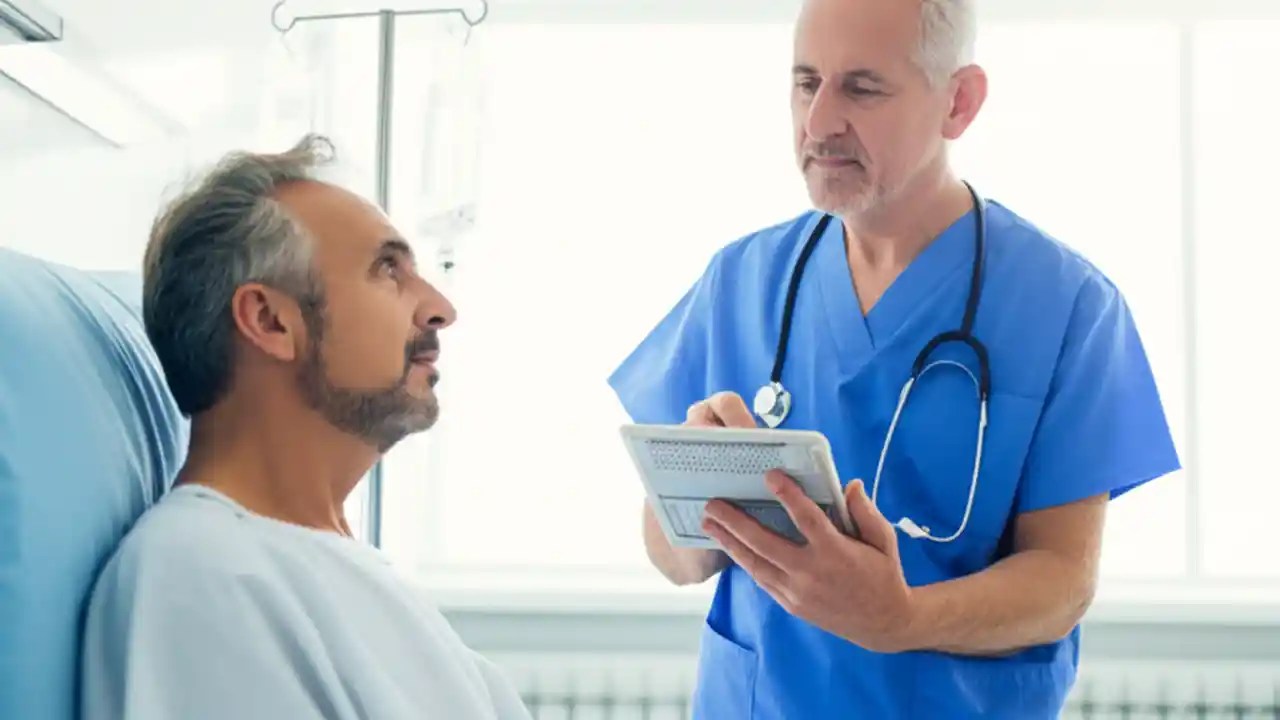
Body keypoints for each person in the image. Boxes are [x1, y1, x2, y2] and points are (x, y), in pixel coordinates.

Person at [608, 0, 1180, 717]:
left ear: (959, 102)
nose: (818, 124)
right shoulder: (743, 281)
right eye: (806, 82)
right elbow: (674, 557)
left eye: (861, 88)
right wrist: (695, 512)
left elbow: (1062, 581)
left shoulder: (1068, 307)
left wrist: (899, 618)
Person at [79, 135, 533, 720]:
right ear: (269, 321)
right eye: (387, 269)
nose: (440, 307)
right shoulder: (200, 575)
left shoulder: (336, 567)